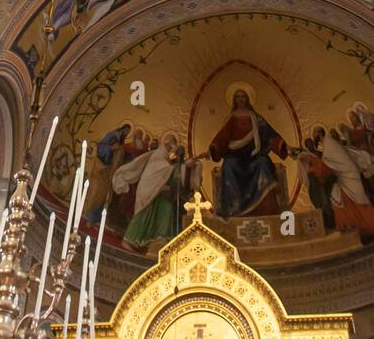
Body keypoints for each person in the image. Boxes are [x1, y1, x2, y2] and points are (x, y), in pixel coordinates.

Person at [207, 88, 288, 219]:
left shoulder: (256, 118)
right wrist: (212, 149)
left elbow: (270, 134)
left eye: (243, 96)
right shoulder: (231, 118)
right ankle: (234, 209)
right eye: (238, 97)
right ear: (234, 100)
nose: (241, 99)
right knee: (228, 166)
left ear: (248, 98)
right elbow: (222, 137)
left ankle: (267, 210)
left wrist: (284, 146)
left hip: (254, 154)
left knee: (264, 163)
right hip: (235, 155)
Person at [112, 131, 198, 250]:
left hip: (156, 191)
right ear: (168, 143)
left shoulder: (165, 156)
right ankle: (128, 240)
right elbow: (167, 171)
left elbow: (167, 175)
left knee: (166, 208)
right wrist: (184, 167)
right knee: (143, 214)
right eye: (173, 143)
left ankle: (159, 241)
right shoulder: (159, 153)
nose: (174, 148)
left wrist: (182, 166)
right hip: (149, 190)